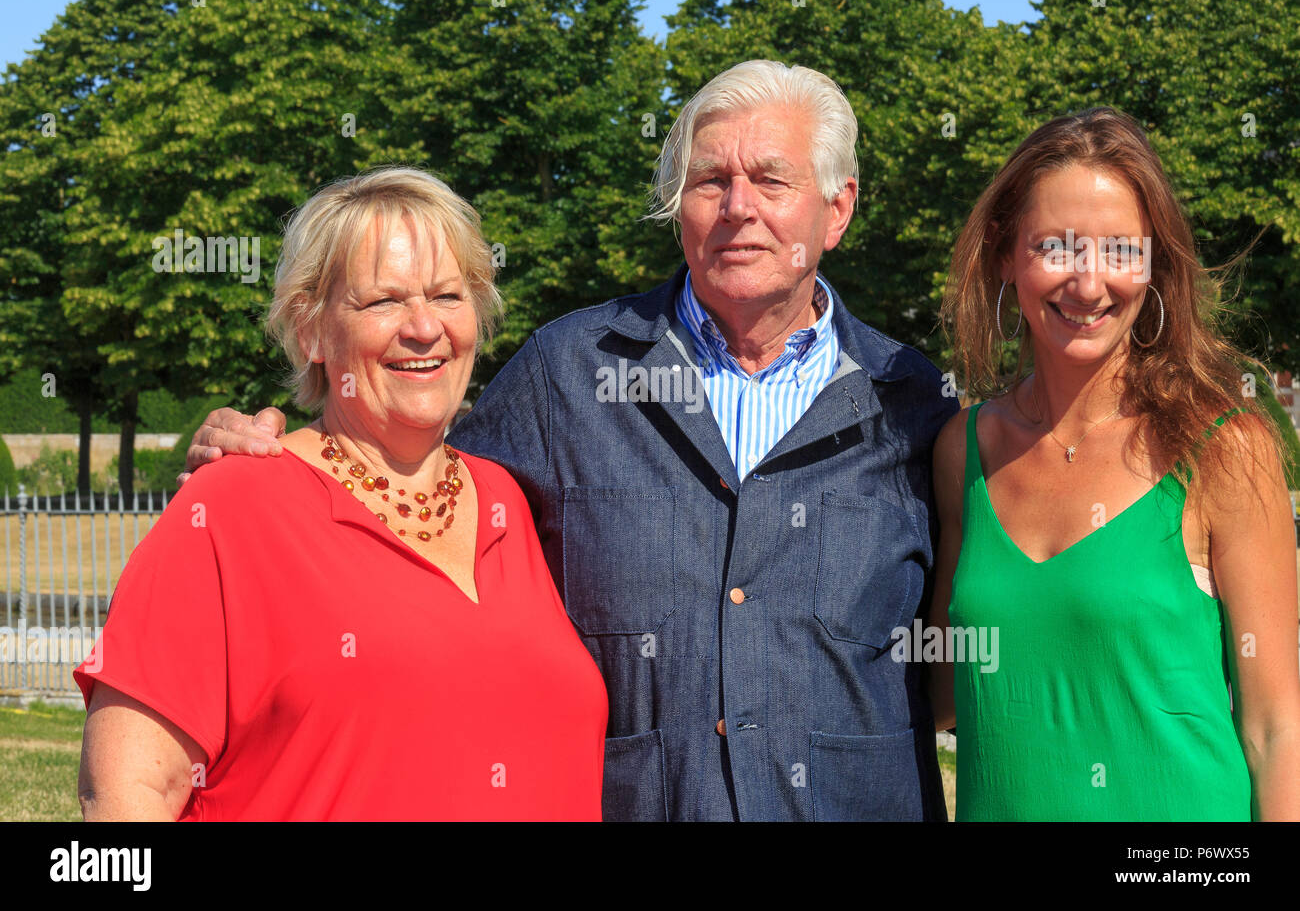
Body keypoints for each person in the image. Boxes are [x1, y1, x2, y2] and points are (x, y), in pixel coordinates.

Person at [184, 60, 957, 821]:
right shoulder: (569, 372)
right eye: (710, 180)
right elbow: (403, 486)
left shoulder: (916, 405)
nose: (737, 207)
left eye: (771, 180)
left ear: (838, 208)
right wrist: (270, 462)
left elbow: (964, 667)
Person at [75, 166, 608, 820]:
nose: (423, 327)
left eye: (447, 295)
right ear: (311, 331)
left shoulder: (511, 499)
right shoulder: (232, 506)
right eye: (382, 301)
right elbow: (129, 793)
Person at [928, 107, 1300, 820]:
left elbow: (1275, 729)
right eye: (1056, 248)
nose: (1089, 283)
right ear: (1006, 254)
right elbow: (944, 698)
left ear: (1156, 263)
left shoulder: (1224, 447)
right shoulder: (962, 451)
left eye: (1121, 250)